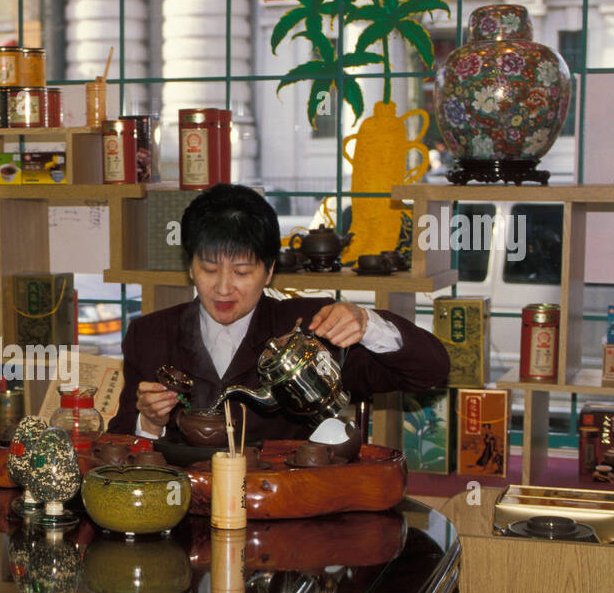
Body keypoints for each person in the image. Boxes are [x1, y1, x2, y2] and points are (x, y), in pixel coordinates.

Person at [110, 184, 450, 441]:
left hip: (285, 512)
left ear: (269, 271)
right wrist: (149, 423)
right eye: (209, 270)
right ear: (190, 267)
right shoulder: (151, 334)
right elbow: (119, 445)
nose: (224, 288)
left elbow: (429, 370)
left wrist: (368, 323)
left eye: (242, 272)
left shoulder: (310, 330)